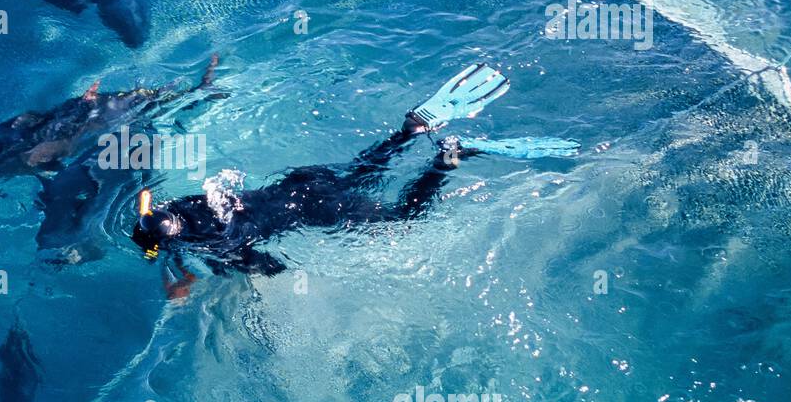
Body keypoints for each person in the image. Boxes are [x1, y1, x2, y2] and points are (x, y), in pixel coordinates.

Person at [131, 64, 578, 296]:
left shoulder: (216, 239)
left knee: (403, 220)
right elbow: (155, 216)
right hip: (302, 182)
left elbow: (270, 267)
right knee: (365, 170)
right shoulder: (189, 203)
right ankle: (409, 132)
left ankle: (446, 162)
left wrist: (230, 276)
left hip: (316, 210)